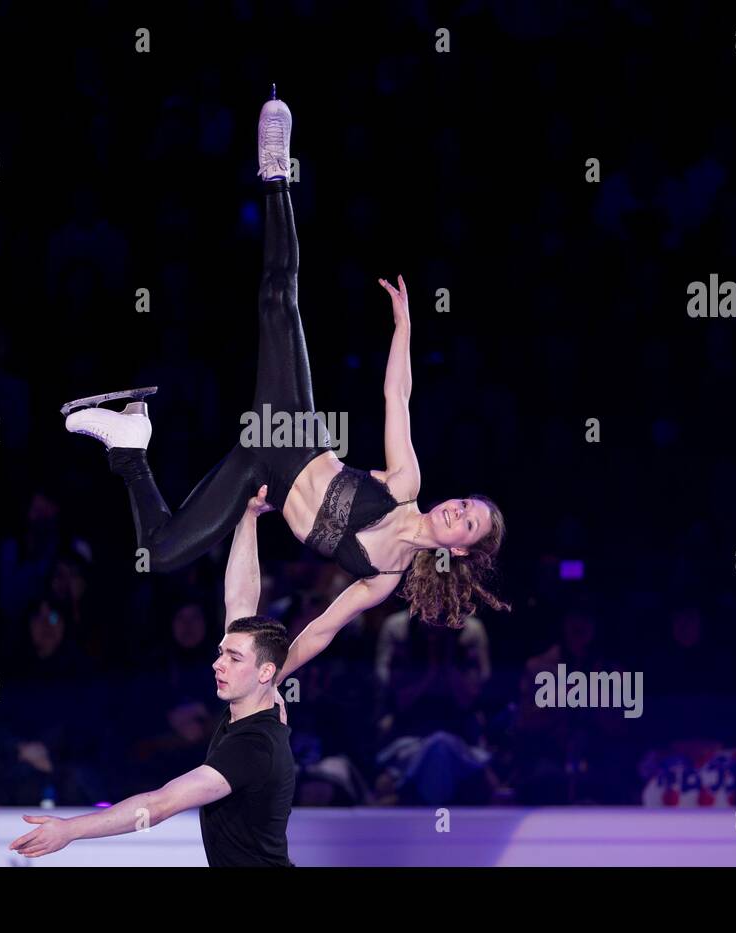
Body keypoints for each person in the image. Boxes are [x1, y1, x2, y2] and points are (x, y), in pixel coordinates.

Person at [64, 88, 509, 677]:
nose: (456, 510)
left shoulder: (382, 579)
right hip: (291, 435)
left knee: (161, 553)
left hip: (258, 473)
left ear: (462, 550)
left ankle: (129, 444)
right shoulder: (407, 483)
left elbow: (319, 631)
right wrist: (403, 327)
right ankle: (277, 173)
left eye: (468, 522)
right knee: (279, 303)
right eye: (464, 504)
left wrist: (269, 682)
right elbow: (395, 396)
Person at [9, 486, 296, 865]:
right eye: (220, 652)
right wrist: (248, 518)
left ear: (265, 673)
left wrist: (69, 830)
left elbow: (158, 805)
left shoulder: (253, 748)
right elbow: (240, 602)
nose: (217, 663)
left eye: (232, 658)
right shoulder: (264, 701)